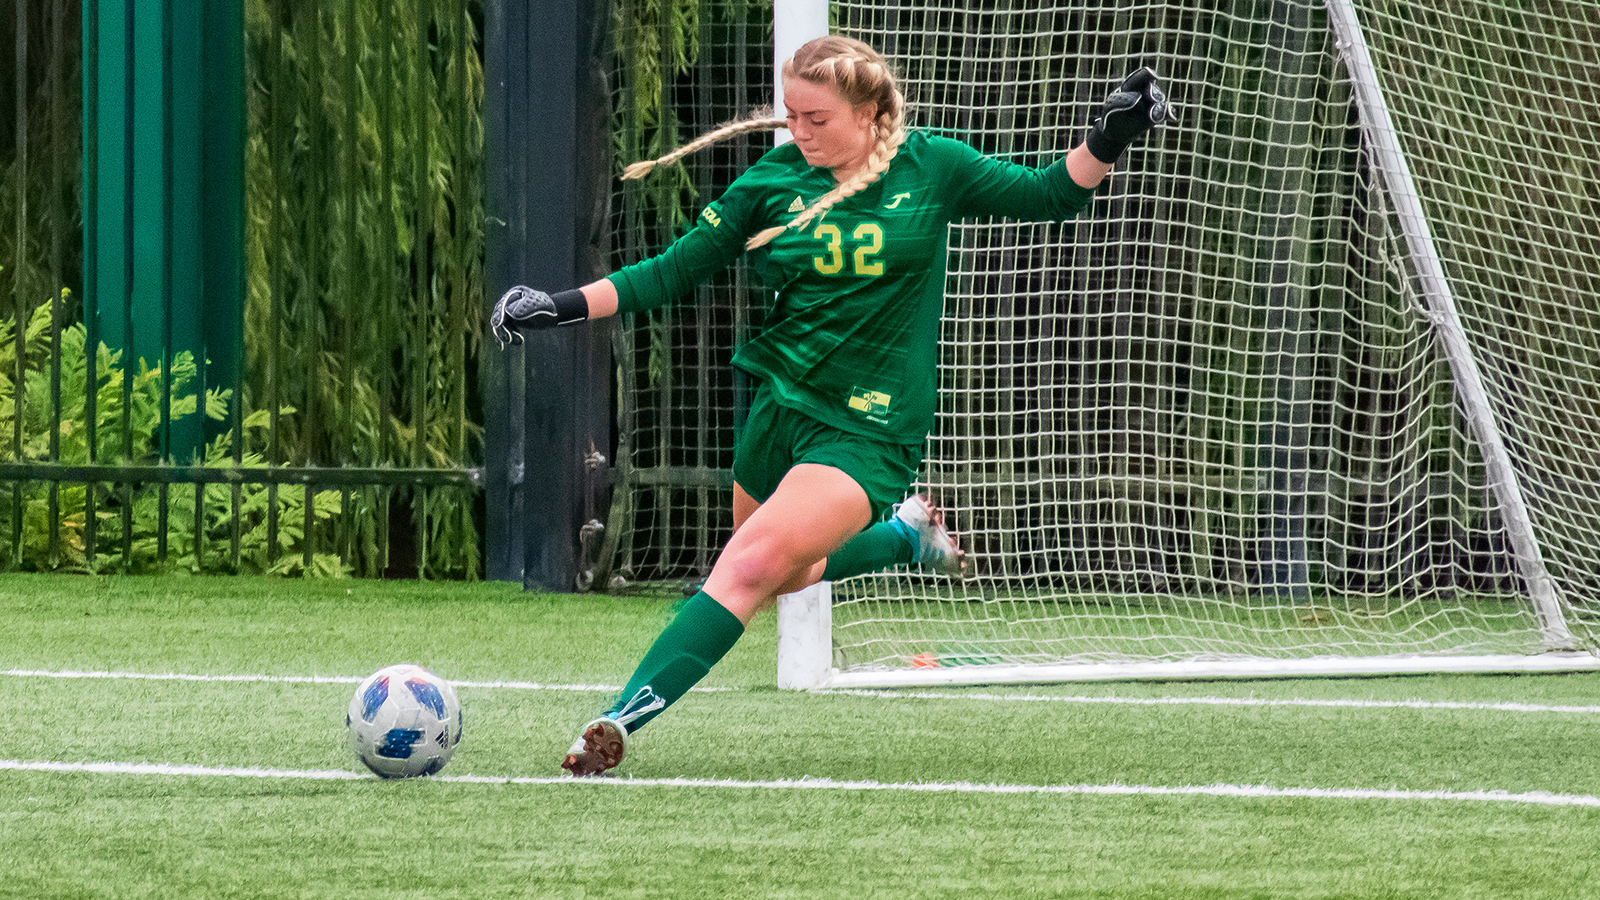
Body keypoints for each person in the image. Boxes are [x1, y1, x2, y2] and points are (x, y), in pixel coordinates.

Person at [491, 35, 1169, 776]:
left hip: (870, 428)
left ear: (872, 113)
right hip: (780, 409)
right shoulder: (773, 181)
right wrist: (556, 307)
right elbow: (671, 271)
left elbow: (1049, 196)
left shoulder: (932, 166)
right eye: (791, 115)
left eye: (817, 118)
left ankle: (617, 720)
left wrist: (1114, 132)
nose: (800, 132)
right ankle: (905, 539)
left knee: (747, 566)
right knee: (786, 571)